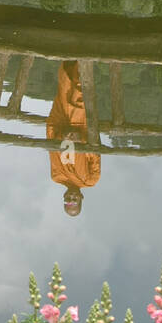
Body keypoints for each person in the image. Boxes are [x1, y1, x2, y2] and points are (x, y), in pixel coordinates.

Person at [46, 60, 101, 216]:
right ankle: (84, 58)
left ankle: (69, 55)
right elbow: (95, 154)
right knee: (79, 92)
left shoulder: (57, 177)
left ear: (63, 197)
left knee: (63, 91)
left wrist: (61, 137)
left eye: (67, 200)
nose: (71, 196)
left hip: (61, 126)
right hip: (81, 126)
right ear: (81, 198)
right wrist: (81, 140)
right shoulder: (90, 180)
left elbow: (53, 152)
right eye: (74, 200)